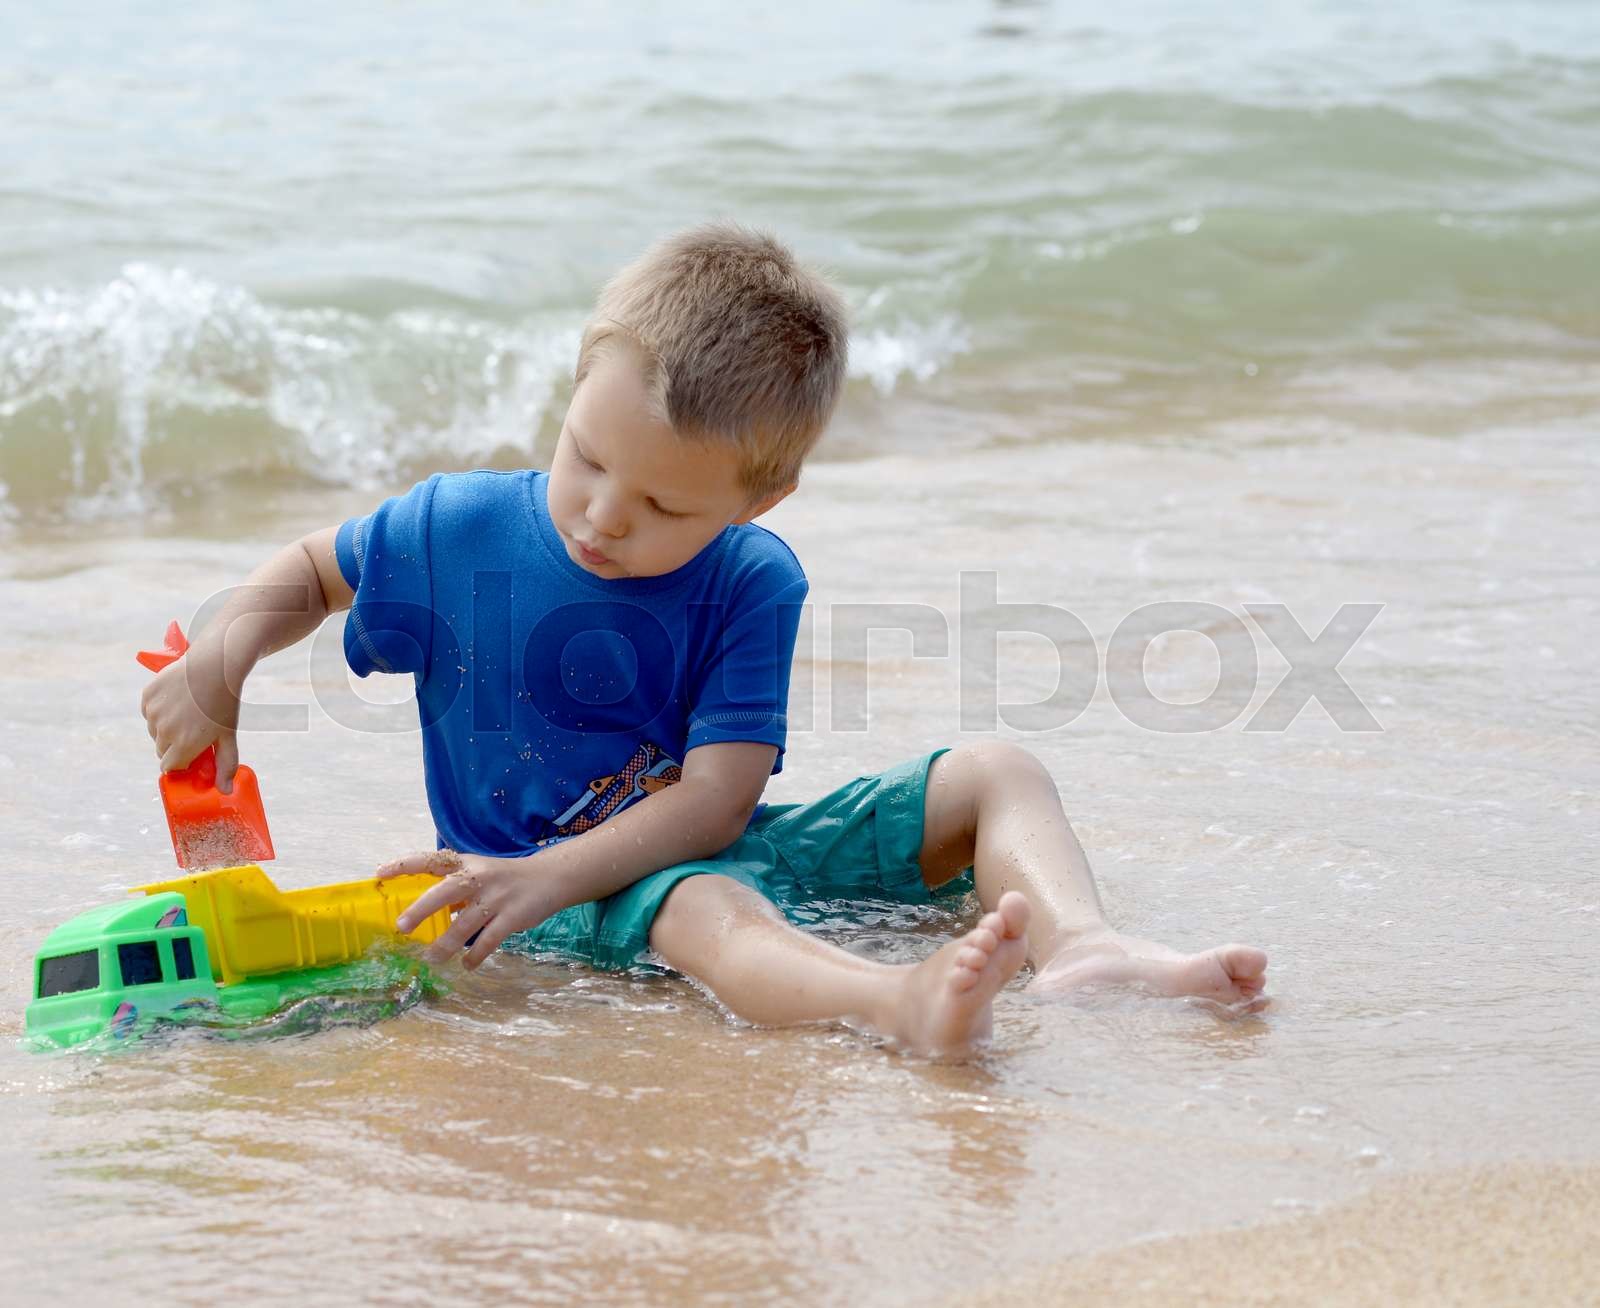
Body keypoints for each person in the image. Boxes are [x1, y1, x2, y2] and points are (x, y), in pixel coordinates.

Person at [141, 224, 1267, 1056]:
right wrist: (221, 656)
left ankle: (1084, 947)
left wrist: (550, 874)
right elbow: (305, 572)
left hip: (651, 851)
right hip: (541, 890)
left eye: (665, 508)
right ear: (577, 385)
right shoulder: (456, 530)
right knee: (710, 908)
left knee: (994, 771)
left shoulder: (752, 579)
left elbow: (719, 803)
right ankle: (893, 1003)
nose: (601, 514)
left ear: (755, 502)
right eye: (585, 458)